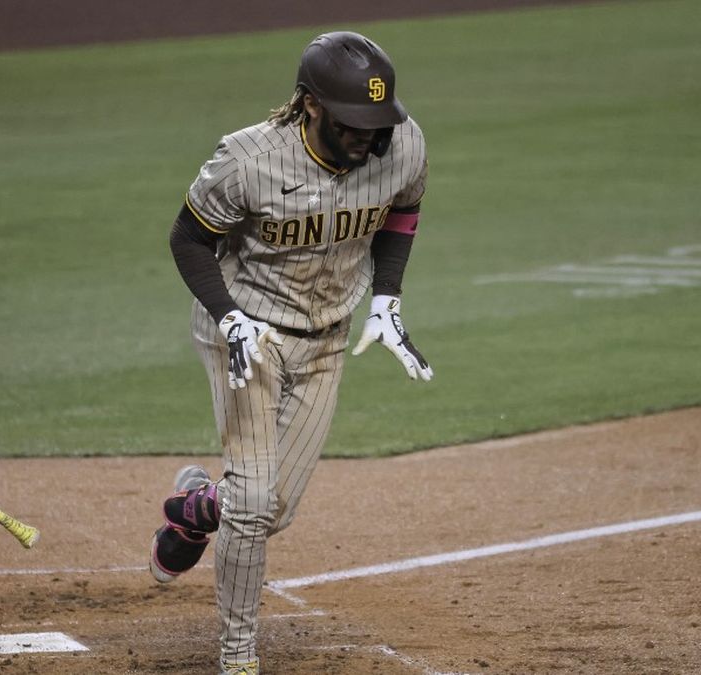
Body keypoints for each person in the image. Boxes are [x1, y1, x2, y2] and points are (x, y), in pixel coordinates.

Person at [151, 30, 433, 675]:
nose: (368, 138)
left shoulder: (405, 144)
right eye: (352, 124)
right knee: (251, 505)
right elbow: (188, 240)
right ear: (309, 105)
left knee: (271, 510)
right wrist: (229, 319)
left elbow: (403, 212)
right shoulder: (248, 161)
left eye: (376, 123)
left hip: (329, 337)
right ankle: (238, 656)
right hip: (249, 335)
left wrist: (386, 298)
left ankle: (198, 506)